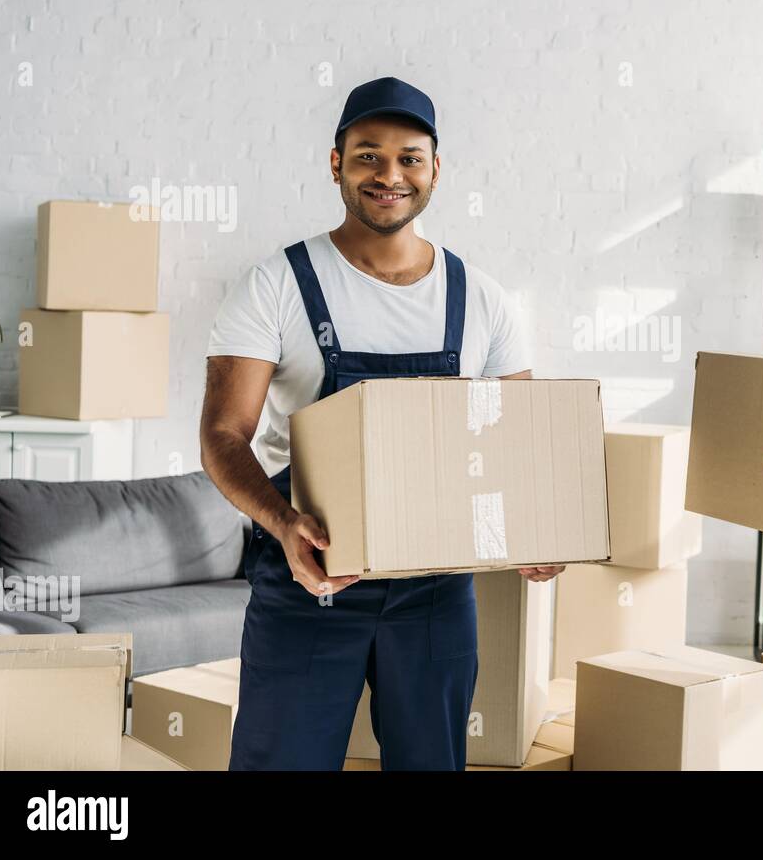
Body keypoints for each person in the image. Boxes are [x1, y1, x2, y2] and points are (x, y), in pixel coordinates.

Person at [199, 76, 561, 770]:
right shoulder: (275, 284)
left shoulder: (482, 299)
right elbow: (222, 435)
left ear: (434, 169)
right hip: (308, 579)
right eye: (368, 155)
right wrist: (282, 525)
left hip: (436, 591)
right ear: (335, 162)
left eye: (409, 158)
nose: (388, 174)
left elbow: (519, 443)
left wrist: (534, 532)